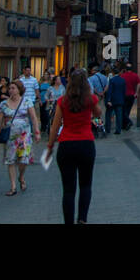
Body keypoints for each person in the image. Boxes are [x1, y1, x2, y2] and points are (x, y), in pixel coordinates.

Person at [45, 70, 103, 223]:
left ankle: (69, 221)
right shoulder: (90, 99)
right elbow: (99, 113)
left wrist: (50, 146)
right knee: (85, 185)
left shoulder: (62, 101)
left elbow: (55, 126)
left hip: (66, 145)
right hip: (86, 144)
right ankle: (82, 219)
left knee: (68, 190)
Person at [0, 79, 39, 195]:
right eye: (10, 88)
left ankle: (21, 176)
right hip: (10, 136)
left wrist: (37, 132)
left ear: (19, 90)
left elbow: (33, 118)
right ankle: (13, 186)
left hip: (24, 136)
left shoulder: (26, 102)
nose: (11, 90)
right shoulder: (4, 104)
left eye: (13, 88)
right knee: (10, 160)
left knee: (23, 160)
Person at [105, 67, 127, 135]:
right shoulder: (123, 80)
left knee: (108, 114)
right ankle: (118, 130)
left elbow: (110, 91)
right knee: (119, 115)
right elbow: (124, 91)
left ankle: (108, 129)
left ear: (113, 73)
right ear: (119, 73)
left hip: (112, 100)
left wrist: (108, 100)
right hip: (120, 100)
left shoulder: (112, 80)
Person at [121, 62, 140, 130]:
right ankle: (126, 124)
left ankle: (128, 122)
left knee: (123, 110)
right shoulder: (135, 75)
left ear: (125, 69)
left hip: (124, 95)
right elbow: (139, 83)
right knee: (128, 110)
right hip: (131, 95)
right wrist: (136, 93)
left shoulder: (122, 75)